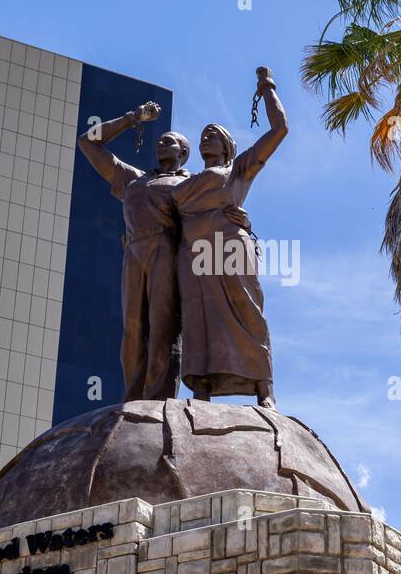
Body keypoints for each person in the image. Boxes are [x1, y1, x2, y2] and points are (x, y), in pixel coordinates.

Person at [176, 68, 286, 408]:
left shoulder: (237, 170)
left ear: (227, 146)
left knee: (247, 309)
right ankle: (202, 387)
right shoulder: (184, 182)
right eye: (203, 135)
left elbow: (280, 129)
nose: (205, 138)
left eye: (213, 135)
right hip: (193, 255)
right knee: (199, 317)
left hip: (230, 248)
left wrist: (267, 87)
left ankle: (264, 389)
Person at [75, 102, 188, 401]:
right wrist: (132, 118)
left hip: (167, 248)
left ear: (183, 153)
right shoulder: (133, 178)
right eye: (159, 141)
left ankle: (159, 397)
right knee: (133, 328)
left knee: (163, 325)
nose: (161, 144)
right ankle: (134, 397)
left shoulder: (190, 183)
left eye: (169, 142)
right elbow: (88, 142)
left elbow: (218, 205)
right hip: (134, 250)